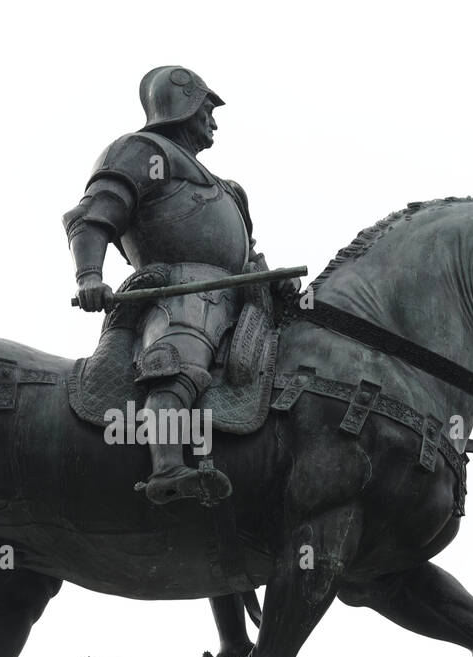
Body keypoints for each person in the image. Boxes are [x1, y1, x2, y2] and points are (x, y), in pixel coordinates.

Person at [63, 65, 299, 505]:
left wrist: (276, 280)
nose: (213, 119)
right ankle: (167, 468)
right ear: (182, 105)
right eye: (206, 108)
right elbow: (94, 215)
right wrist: (89, 275)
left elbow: (248, 256)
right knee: (178, 363)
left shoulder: (230, 190)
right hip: (182, 293)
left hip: (244, 297)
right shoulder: (143, 151)